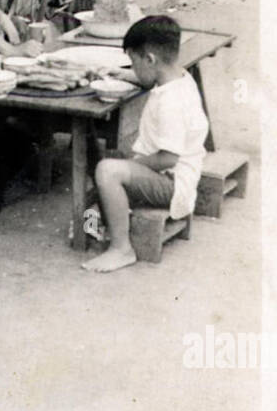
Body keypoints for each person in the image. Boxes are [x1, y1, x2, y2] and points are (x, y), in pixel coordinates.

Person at [81, 15, 209, 274]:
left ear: (149, 59)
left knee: (107, 170)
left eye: (133, 62)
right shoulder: (180, 78)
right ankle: (106, 215)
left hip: (172, 183)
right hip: (173, 175)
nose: (133, 68)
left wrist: (130, 165)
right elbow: (149, 77)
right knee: (108, 162)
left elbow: (168, 158)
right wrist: (124, 74)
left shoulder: (170, 103)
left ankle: (121, 248)